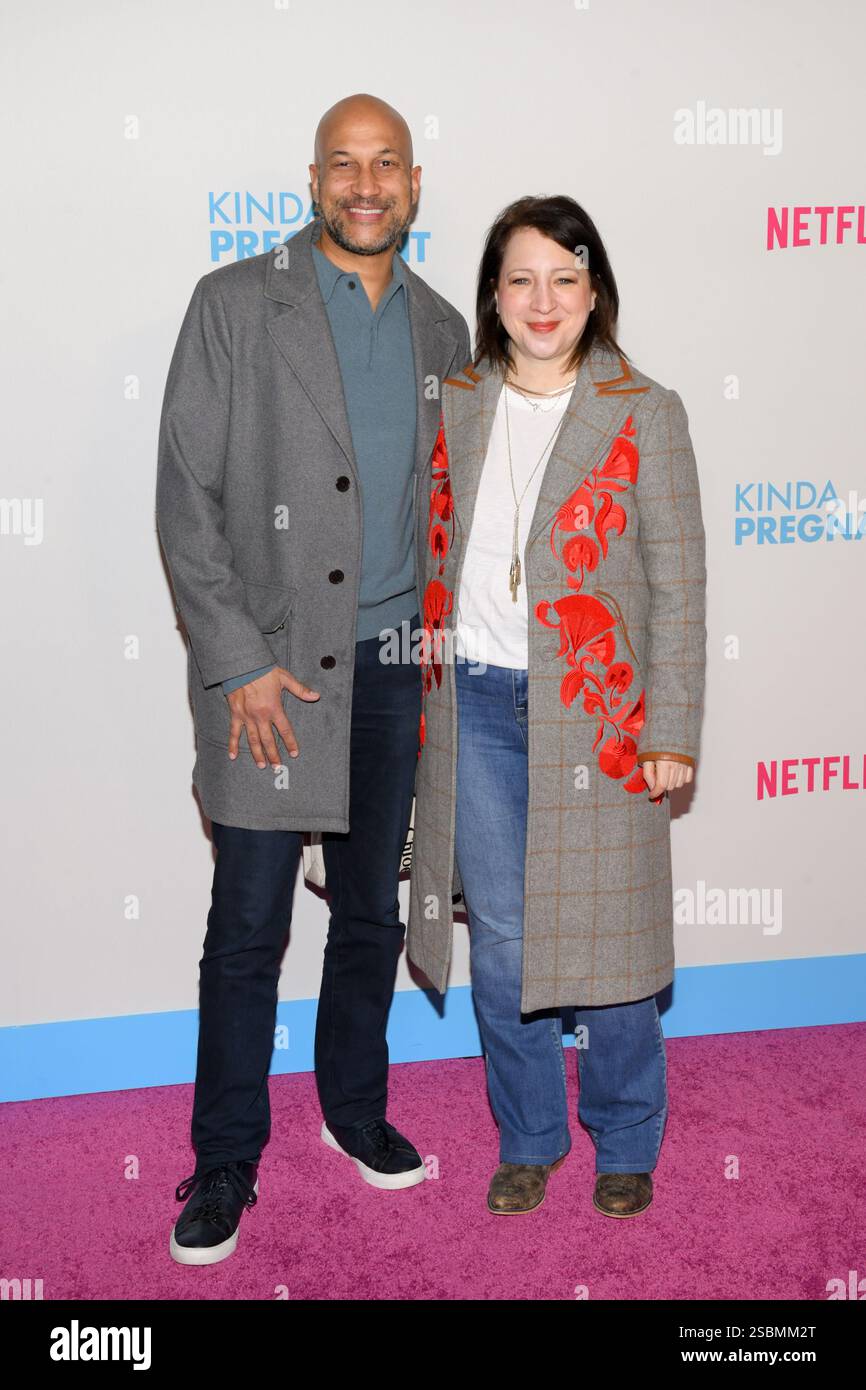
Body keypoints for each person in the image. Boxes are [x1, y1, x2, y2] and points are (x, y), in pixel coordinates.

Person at [156, 93, 470, 1264]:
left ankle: (352, 1110)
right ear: (312, 178)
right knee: (245, 926)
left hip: (394, 670)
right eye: (344, 163)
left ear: (415, 182)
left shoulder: (444, 331)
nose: (365, 183)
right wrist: (235, 659)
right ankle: (223, 1158)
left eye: (385, 162)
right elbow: (185, 497)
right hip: (270, 679)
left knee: (368, 915)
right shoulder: (236, 304)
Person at [408, 195, 707, 1217]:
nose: (542, 300)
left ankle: (625, 1137)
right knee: (500, 940)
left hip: (602, 720)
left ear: (594, 291)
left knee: (611, 941)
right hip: (478, 709)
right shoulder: (452, 398)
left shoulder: (643, 409)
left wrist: (671, 729)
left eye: (564, 278)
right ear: (492, 293)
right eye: (520, 278)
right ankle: (527, 1135)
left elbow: (677, 586)